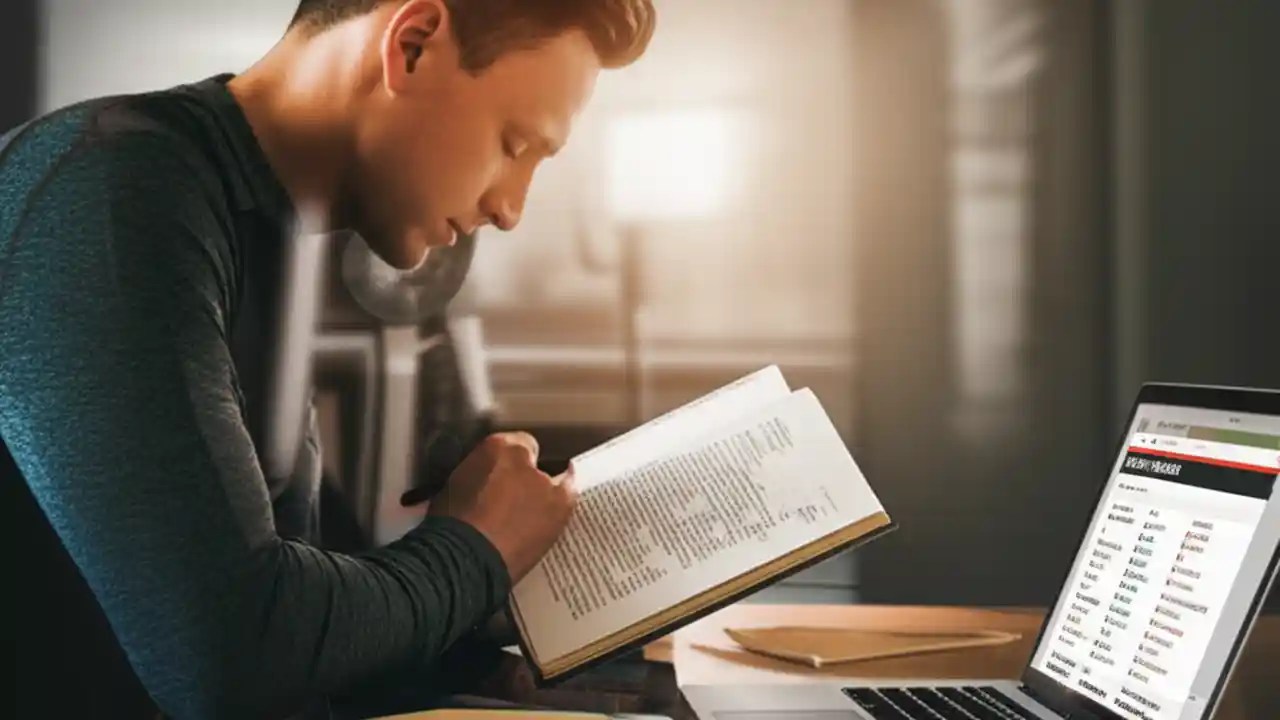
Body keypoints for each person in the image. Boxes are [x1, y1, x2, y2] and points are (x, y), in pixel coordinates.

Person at [0, 1, 655, 718]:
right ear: (411, 44)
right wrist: (475, 550)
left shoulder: (270, 232)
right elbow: (229, 657)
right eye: (513, 143)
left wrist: (447, 653)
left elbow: (284, 620)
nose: (510, 208)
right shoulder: (111, 195)